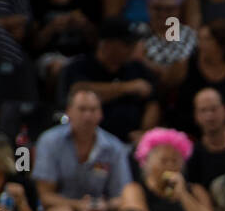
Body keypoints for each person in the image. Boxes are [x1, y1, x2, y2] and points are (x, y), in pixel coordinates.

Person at [34, 85, 133, 211]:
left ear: (100, 114)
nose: (87, 116)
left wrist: (105, 206)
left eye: (93, 110)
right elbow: (45, 196)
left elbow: (123, 195)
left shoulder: (114, 147)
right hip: (64, 208)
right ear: (69, 111)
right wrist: (78, 205)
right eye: (82, 109)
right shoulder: (49, 141)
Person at [57, 17, 159, 146]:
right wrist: (127, 87)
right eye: (127, 44)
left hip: (131, 142)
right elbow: (78, 91)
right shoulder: (79, 67)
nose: (133, 48)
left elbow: (152, 103)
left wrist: (145, 132)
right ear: (106, 44)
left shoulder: (138, 69)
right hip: (87, 141)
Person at [121, 127, 219, 211]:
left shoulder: (195, 191)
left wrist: (184, 195)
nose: (170, 166)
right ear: (147, 162)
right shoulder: (135, 189)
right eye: (164, 160)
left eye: (175, 161)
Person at [30, 0, 99, 99]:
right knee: (57, 68)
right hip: (50, 55)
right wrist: (51, 28)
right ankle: (57, 108)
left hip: (82, 54)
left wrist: (84, 25)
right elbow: (34, 43)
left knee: (84, 67)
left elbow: (97, 40)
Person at [140, 0, 198, 93]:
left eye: (169, 9)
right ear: (148, 8)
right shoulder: (137, 33)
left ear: (179, 10)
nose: (163, 14)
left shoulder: (190, 35)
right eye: (157, 8)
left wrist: (149, 64)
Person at [183, 88, 225, 189]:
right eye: (203, 110)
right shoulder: (192, 154)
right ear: (196, 116)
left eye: (214, 109)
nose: (209, 116)